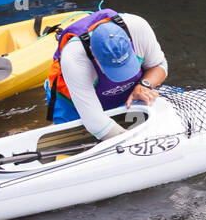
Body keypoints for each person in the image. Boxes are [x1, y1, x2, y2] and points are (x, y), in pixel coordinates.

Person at [43, 8, 169, 140]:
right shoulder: (74, 59)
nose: (120, 76)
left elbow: (159, 65)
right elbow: (96, 124)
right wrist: (132, 141)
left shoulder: (138, 28)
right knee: (75, 143)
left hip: (121, 93)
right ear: (92, 52)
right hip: (72, 101)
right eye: (113, 69)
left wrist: (145, 85)